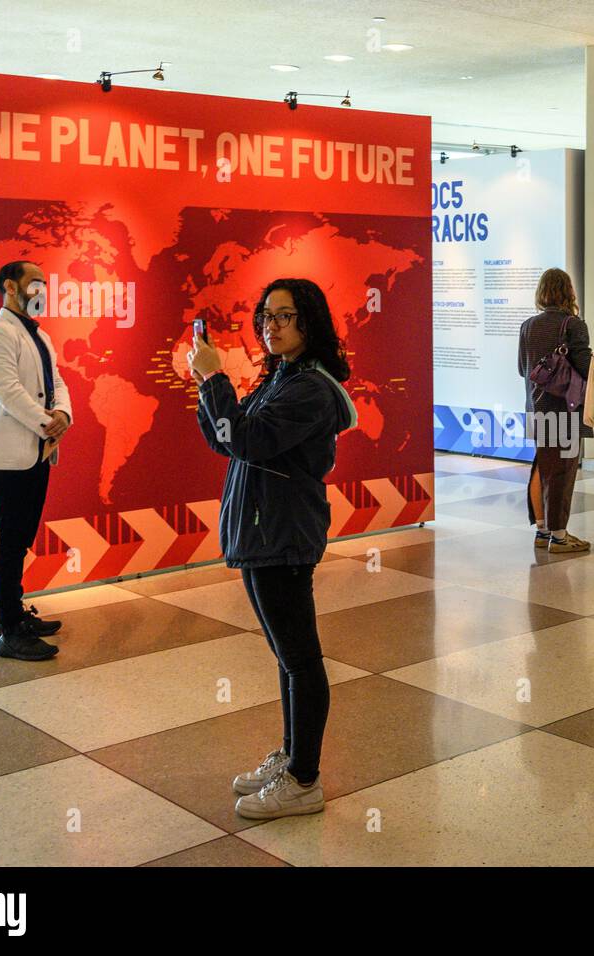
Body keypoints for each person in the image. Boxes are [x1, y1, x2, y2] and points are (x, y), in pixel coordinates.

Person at [188, 278, 357, 819]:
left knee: (301, 661)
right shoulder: (281, 376)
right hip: (263, 532)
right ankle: (291, 756)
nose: (272, 325)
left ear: (310, 321)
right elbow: (225, 437)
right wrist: (207, 386)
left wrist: (215, 376)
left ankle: (305, 780)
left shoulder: (309, 387)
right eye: (266, 316)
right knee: (287, 659)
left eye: (284, 316)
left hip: (282, 535)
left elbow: (248, 440)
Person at [0, 261, 72, 661]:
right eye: (35, 283)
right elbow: (6, 391)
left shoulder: (40, 336)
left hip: (37, 453)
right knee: (10, 543)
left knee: (21, 540)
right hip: (8, 457)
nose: (41, 291)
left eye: (44, 284)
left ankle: (14, 614)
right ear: (10, 287)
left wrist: (64, 414)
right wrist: (46, 422)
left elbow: (58, 382)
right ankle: (10, 630)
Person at [518, 268, 592, 553]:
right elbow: (586, 367)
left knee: (543, 467)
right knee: (563, 471)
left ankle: (542, 530)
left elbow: (522, 369)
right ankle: (560, 536)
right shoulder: (573, 325)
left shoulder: (527, 325)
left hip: (536, 409)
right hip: (566, 408)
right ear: (568, 292)